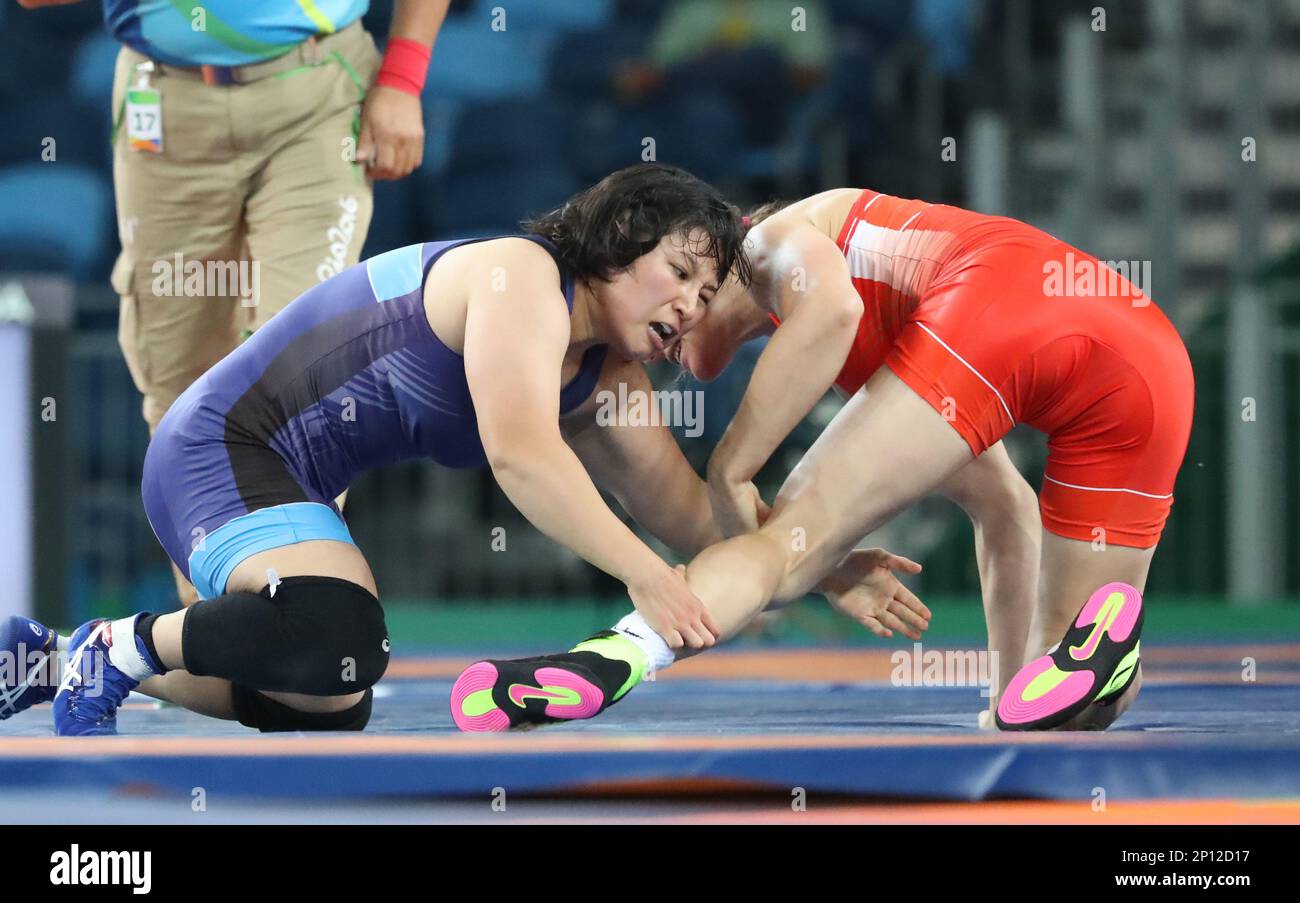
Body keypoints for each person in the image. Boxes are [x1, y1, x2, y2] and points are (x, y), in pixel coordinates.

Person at [0, 165, 917, 735]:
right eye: (678, 274)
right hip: (223, 447)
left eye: (704, 291)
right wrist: (645, 576)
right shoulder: (522, 276)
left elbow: (686, 514)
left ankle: (54, 657)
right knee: (337, 634)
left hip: (291, 483)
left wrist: (825, 566)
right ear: (616, 239)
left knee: (326, 692)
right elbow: (521, 457)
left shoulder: (606, 379)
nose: (688, 307)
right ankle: (118, 646)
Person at [456, 186, 1193, 733]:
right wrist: (1007, 701)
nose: (680, 316)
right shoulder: (871, 340)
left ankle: (621, 652)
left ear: (724, 259)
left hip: (1003, 303)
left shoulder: (775, 238)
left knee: (782, 550)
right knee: (1089, 696)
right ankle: (1084, 668)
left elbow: (832, 310)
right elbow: (1000, 502)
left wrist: (731, 468)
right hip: (1145, 355)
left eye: (697, 289)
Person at [17, 0, 452, 606]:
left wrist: (403, 79)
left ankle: (299, 614)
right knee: (179, 384)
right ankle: (213, 632)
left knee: (303, 372)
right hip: (164, 98)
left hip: (317, 91)